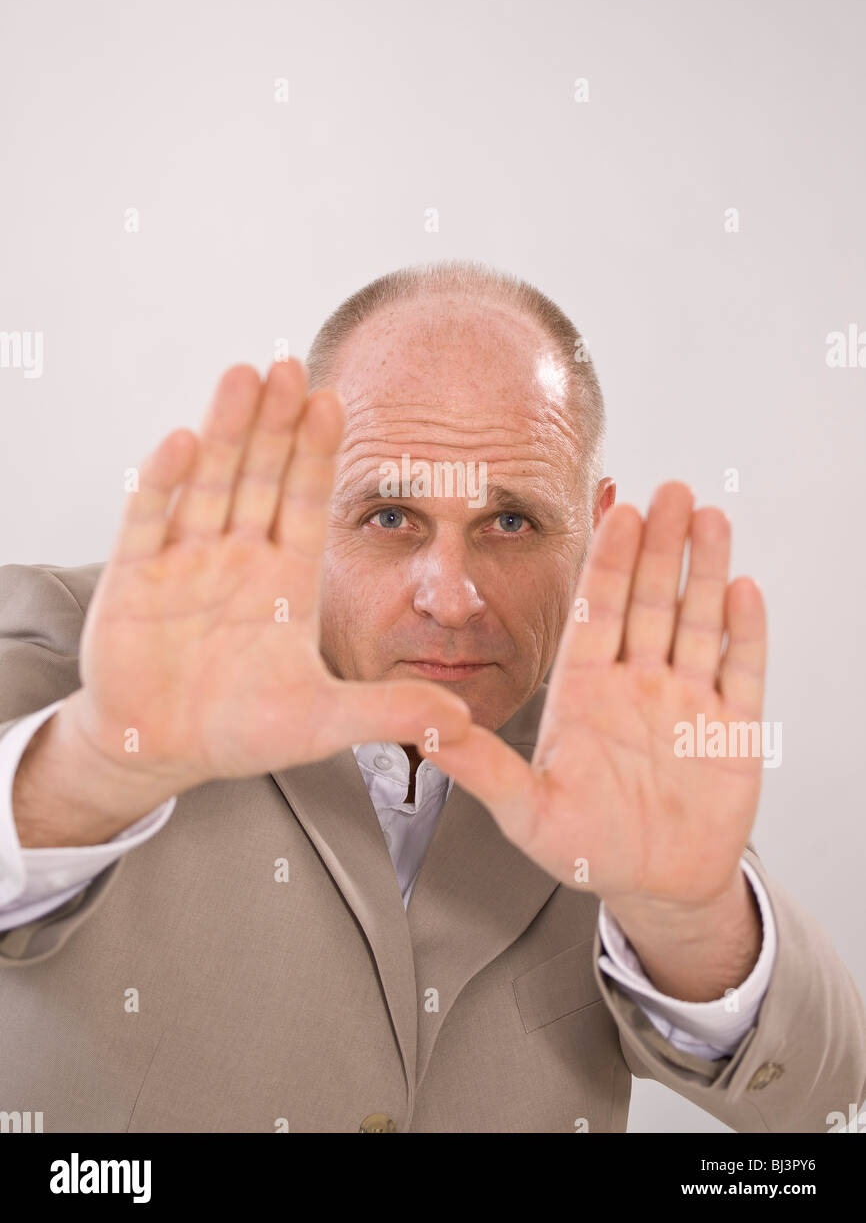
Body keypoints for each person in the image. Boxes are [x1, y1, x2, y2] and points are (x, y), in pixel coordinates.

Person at [1, 261, 863, 1134]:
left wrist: (693, 918)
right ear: (306, 498)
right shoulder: (86, 649)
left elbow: (831, 1106)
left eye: (512, 521)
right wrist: (93, 765)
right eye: (390, 516)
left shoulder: (613, 736)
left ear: (594, 530)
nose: (451, 597)